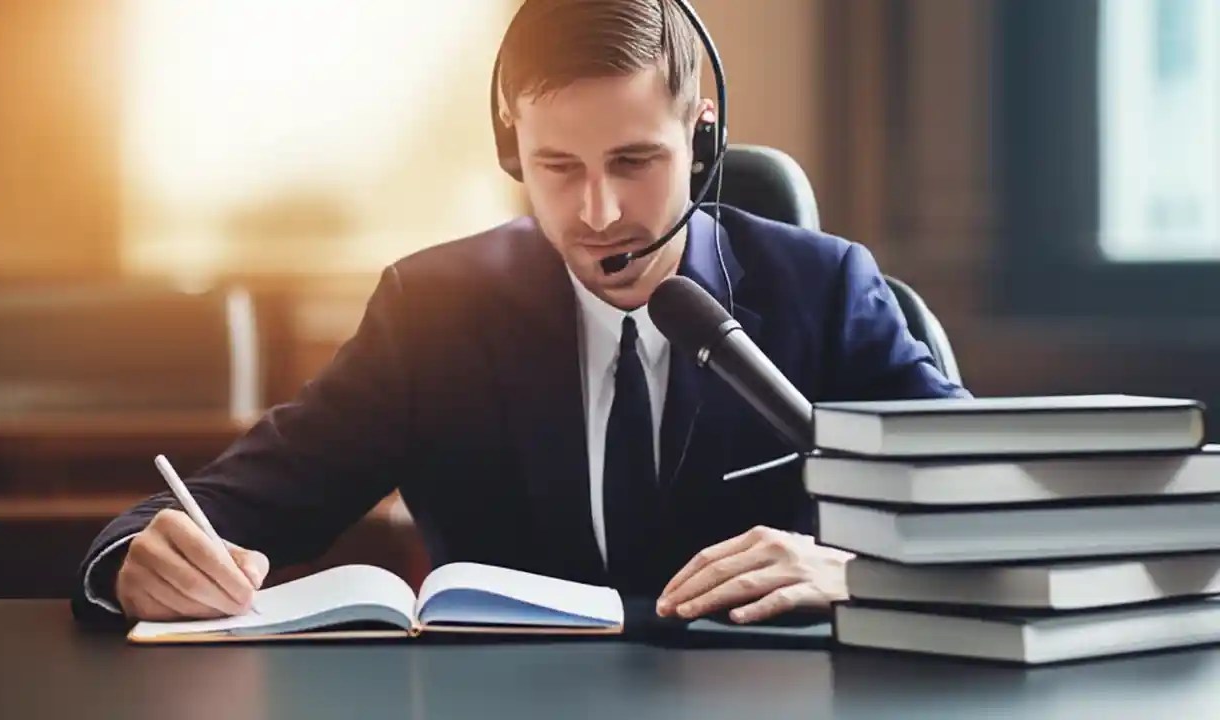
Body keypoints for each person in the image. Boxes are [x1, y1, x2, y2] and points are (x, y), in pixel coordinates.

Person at [73, 0, 968, 628]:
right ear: (512, 150)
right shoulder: (433, 312)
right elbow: (225, 504)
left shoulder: (824, 288)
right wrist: (134, 564)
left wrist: (854, 572)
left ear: (701, 137)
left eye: (633, 160)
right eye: (558, 168)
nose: (599, 213)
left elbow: (995, 524)